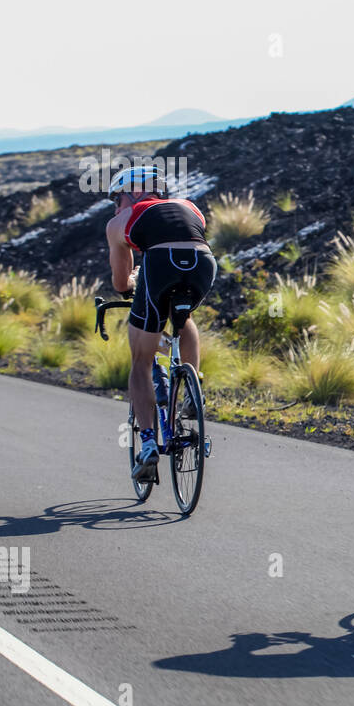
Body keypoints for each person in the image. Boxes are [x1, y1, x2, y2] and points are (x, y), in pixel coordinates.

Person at [103, 166, 217, 482]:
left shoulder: (118, 222)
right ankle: (193, 389)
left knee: (140, 361)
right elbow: (186, 238)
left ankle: (149, 442)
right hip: (202, 263)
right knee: (184, 318)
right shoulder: (189, 206)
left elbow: (121, 283)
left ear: (133, 192)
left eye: (116, 197)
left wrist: (132, 285)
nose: (115, 206)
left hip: (158, 265)